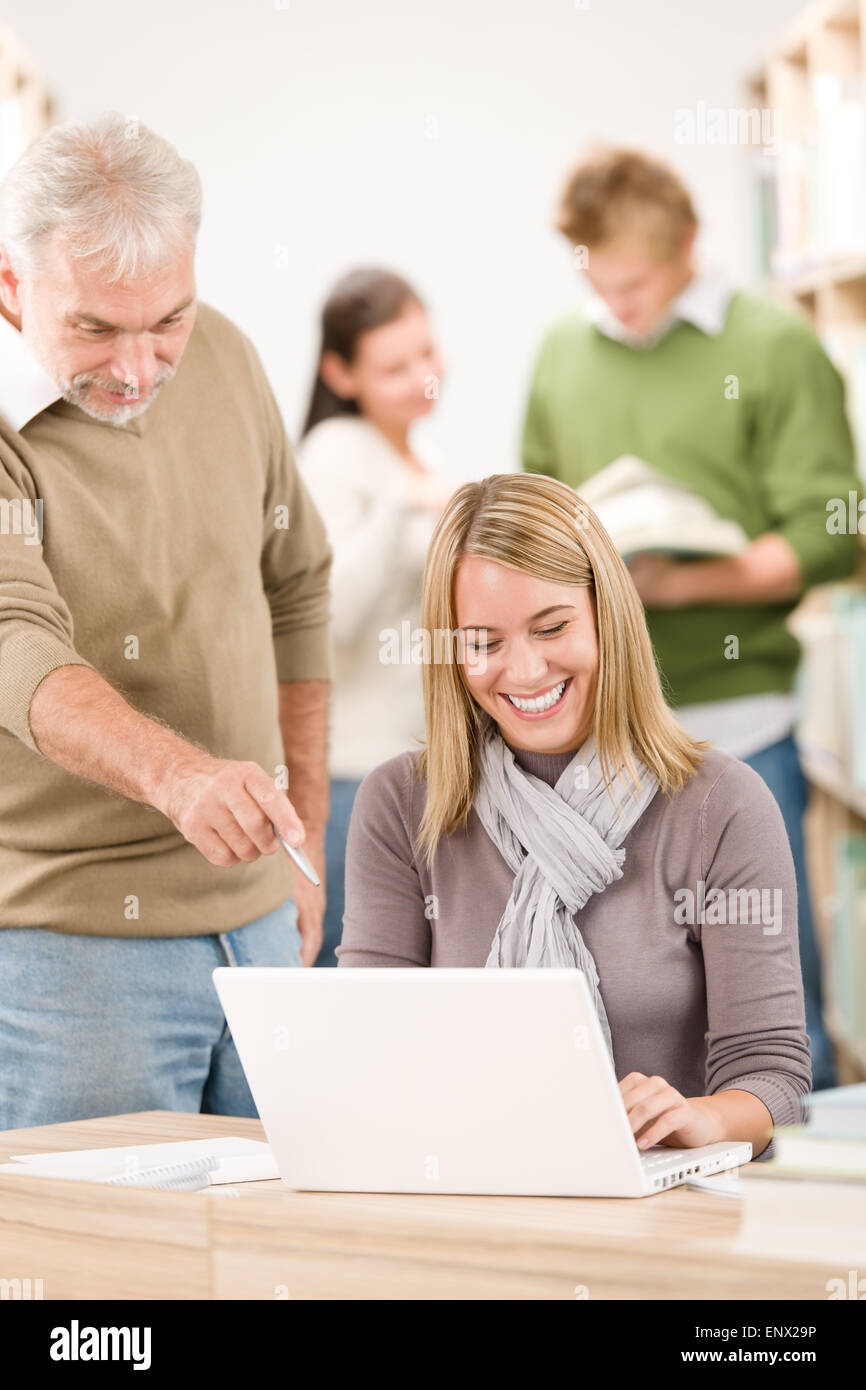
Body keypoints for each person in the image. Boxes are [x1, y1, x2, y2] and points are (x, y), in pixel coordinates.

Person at [0, 112, 332, 1129]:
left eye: (166, 322)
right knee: (110, 1277)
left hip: (261, 930)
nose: (139, 369)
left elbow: (297, 583)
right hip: (71, 959)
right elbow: (16, 644)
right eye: (96, 329)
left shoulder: (225, 354)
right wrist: (181, 776)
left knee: (283, 1266)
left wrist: (307, 823)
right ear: (12, 286)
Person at [338, 473, 811, 1161]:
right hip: (464, 1196)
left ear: (607, 618)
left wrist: (699, 1118)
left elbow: (775, 1080)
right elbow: (367, 1051)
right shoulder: (402, 805)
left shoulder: (724, 807)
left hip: (663, 1211)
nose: (525, 671)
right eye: (483, 642)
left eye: (551, 627)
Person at [520, 147, 863, 1091]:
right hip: (593, 750)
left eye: (636, 282)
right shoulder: (563, 349)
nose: (617, 304)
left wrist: (680, 586)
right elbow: (536, 513)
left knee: (769, 1005)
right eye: (598, 280)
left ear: (689, 246)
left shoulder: (772, 346)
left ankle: (804, 1227)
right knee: (617, 1006)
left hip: (739, 726)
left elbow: (834, 535)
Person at [297, 267, 455, 967]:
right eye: (395, 367)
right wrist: (404, 506)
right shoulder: (333, 457)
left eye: (426, 352)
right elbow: (329, 621)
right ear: (341, 371)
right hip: (359, 774)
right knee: (365, 975)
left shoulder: (422, 452)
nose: (423, 377)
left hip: (422, 765)